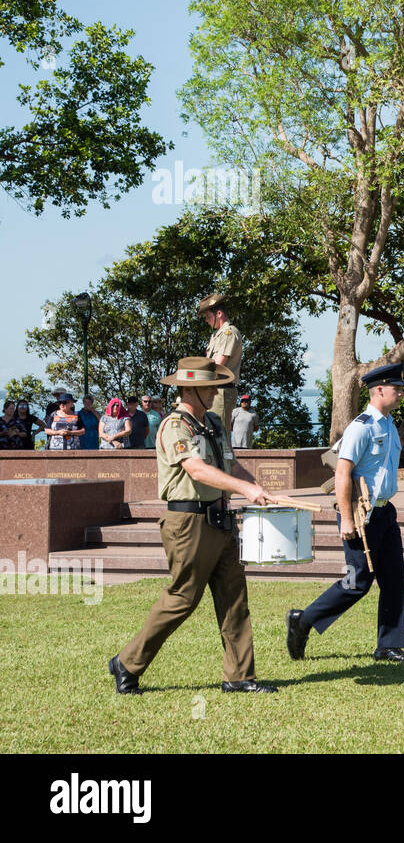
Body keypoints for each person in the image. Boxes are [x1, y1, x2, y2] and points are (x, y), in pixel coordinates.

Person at [109, 356, 276, 695]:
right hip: (188, 523)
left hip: (220, 517)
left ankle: (239, 676)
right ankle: (127, 662)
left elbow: (231, 465)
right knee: (182, 598)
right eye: (210, 386)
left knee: (234, 598)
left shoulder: (213, 422)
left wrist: (257, 486)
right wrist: (245, 489)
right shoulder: (174, 425)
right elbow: (196, 469)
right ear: (191, 389)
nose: (216, 391)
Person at [286, 363, 404, 663]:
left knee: (395, 580)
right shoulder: (361, 426)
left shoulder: (388, 424)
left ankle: (388, 645)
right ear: (379, 390)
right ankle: (303, 621)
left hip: (385, 513)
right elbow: (343, 473)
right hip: (360, 516)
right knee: (357, 582)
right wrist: (346, 519)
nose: (401, 392)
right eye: (396, 388)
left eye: (401, 388)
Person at [200, 292, 243, 430]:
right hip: (213, 389)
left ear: (219, 314)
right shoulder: (216, 335)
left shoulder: (228, 333)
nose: (206, 320)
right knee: (210, 433)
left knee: (219, 435)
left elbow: (217, 364)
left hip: (222, 390)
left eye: (208, 317)